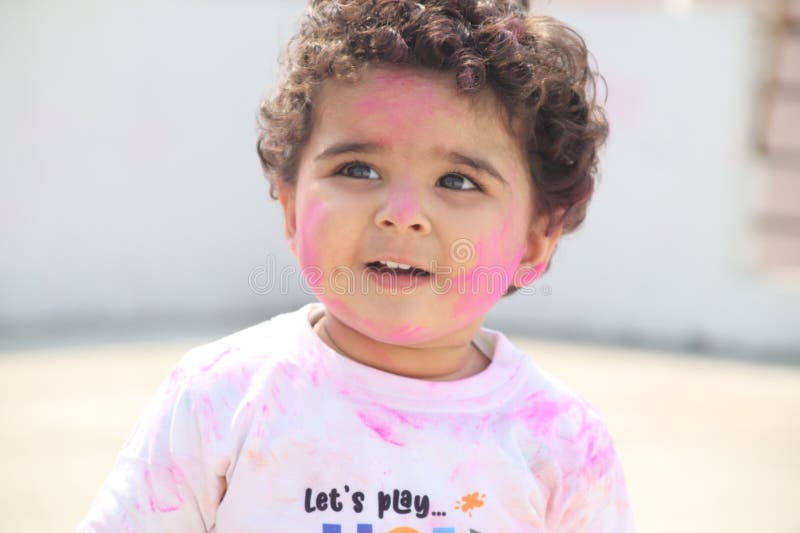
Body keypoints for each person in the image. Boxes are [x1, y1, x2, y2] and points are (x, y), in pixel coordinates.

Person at [78, 0, 635, 531]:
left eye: (458, 181)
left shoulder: (561, 443)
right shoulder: (217, 398)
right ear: (293, 207)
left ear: (537, 238)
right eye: (359, 170)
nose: (402, 215)